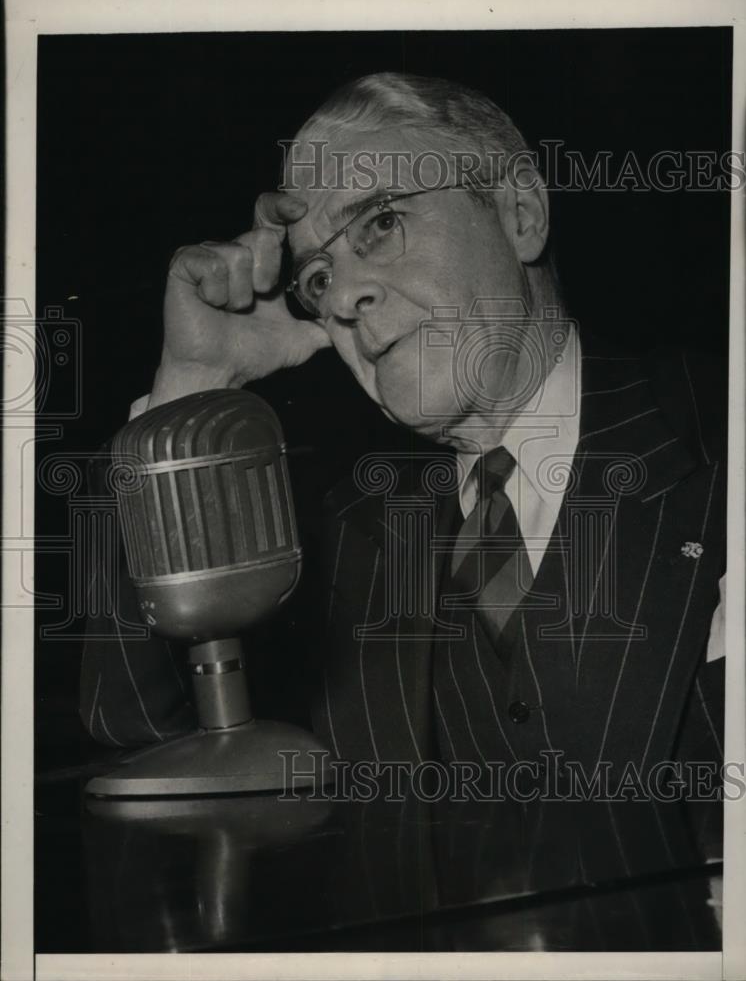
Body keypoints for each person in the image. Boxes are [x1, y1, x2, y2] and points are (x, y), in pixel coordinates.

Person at [80, 73, 726, 789]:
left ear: (519, 213)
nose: (347, 294)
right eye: (318, 278)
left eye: (381, 223)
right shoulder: (333, 542)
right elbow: (135, 726)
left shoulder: (717, 430)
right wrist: (191, 392)